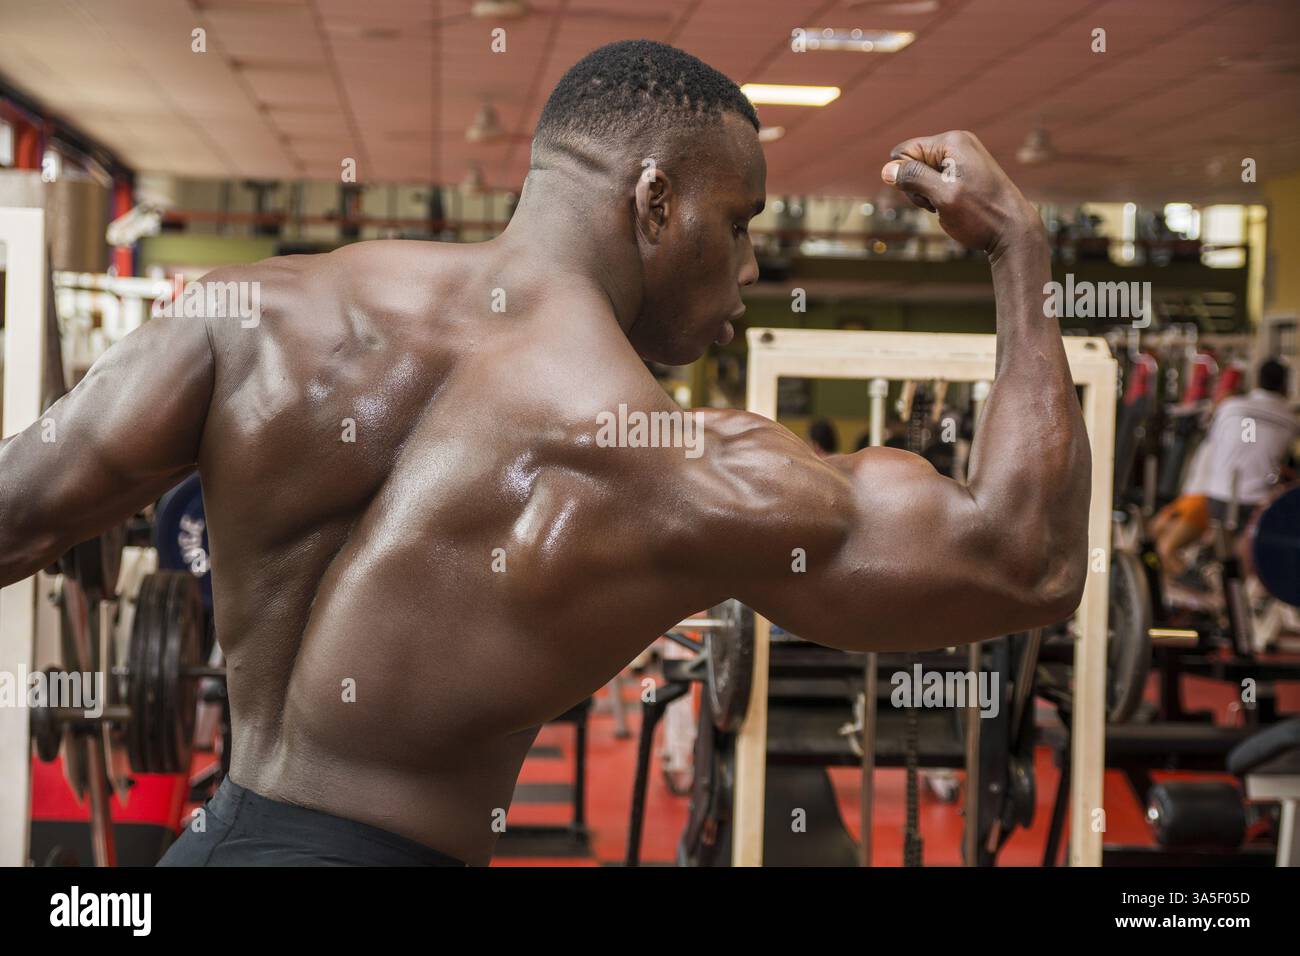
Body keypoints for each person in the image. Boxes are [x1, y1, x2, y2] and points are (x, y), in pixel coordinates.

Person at [0, 40, 1090, 866]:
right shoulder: (682, 470)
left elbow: (17, 508)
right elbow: (1023, 560)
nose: (748, 269)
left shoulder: (252, 312)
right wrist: (1017, 247)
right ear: (654, 200)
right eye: (739, 221)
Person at [1152, 358, 1298, 576]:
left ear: (1257, 382)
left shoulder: (1230, 408)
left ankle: (1204, 583)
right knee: (1242, 562)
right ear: (1285, 386)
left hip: (1217, 499)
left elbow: (1222, 445)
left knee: (1166, 543)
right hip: (1256, 504)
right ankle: (1229, 587)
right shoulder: (1290, 420)